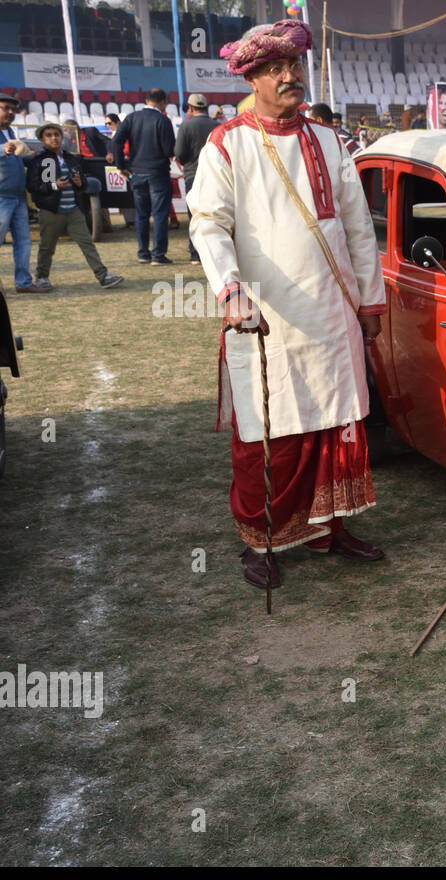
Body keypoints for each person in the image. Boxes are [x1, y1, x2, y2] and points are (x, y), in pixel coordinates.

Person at [188, 19, 387, 589]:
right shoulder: (228, 142)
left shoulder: (329, 140)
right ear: (251, 79)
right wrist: (231, 290)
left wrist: (370, 302)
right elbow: (209, 225)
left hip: (333, 311)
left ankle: (330, 528)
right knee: (270, 435)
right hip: (265, 317)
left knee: (337, 423)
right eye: (275, 69)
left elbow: (357, 228)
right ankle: (263, 541)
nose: (289, 76)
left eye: (293, 66)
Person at [25, 123, 123, 291]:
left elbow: (82, 182)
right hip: (51, 211)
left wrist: (80, 183)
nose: (53, 138)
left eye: (56, 134)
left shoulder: (71, 158)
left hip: (73, 210)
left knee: (87, 244)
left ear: (62, 137)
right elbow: (33, 186)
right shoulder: (39, 159)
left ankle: (103, 276)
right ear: (42, 139)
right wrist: (54, 186)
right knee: (47, 247)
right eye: (48, 135)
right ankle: (41, 277)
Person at [111, 87, 176, 265]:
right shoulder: (163, 120)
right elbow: (169, 150)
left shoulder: (132, 118)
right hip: (158, 172)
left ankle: (143, 253)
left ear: (147, 100)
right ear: (163, 102)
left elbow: (116, 141)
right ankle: (158, 254)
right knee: (160, 214)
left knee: (141, 214)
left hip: (136, 172)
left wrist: (120, 166)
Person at [175, 93, 223, 264]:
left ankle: (195, 254)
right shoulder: (216, 126)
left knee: (194, 216)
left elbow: (179, 154)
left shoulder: (186, 127)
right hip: (215, 176)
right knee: (215, 216)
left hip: (192, 175)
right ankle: (215, 253)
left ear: (190, 108)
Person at [0, 92, 39, 294]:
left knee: (23, 243)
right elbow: (7, 151)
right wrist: (4, 149)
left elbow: (17, 157)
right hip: (1, 198)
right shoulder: (7, 139)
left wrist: (33, 157)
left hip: (17, 197)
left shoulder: (10, 132)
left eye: (12, 109)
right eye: (5, 108)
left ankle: (23, 283)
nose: (10, 112)